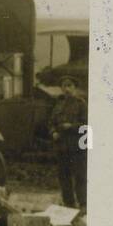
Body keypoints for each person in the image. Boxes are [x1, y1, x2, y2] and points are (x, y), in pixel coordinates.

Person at [49, 75, 88, 209]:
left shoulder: (81, 104)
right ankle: (68, 204)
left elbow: (86, 125)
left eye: (70, 85)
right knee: (64, 176)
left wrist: (71, 126)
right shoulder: (58, 104)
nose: (66, 89)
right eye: (64, 86)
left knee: (80, 176)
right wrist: (53, 132)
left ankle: (83, 204)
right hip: (62, 146)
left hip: (77, 146)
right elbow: (51, 122)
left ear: (75, 88)